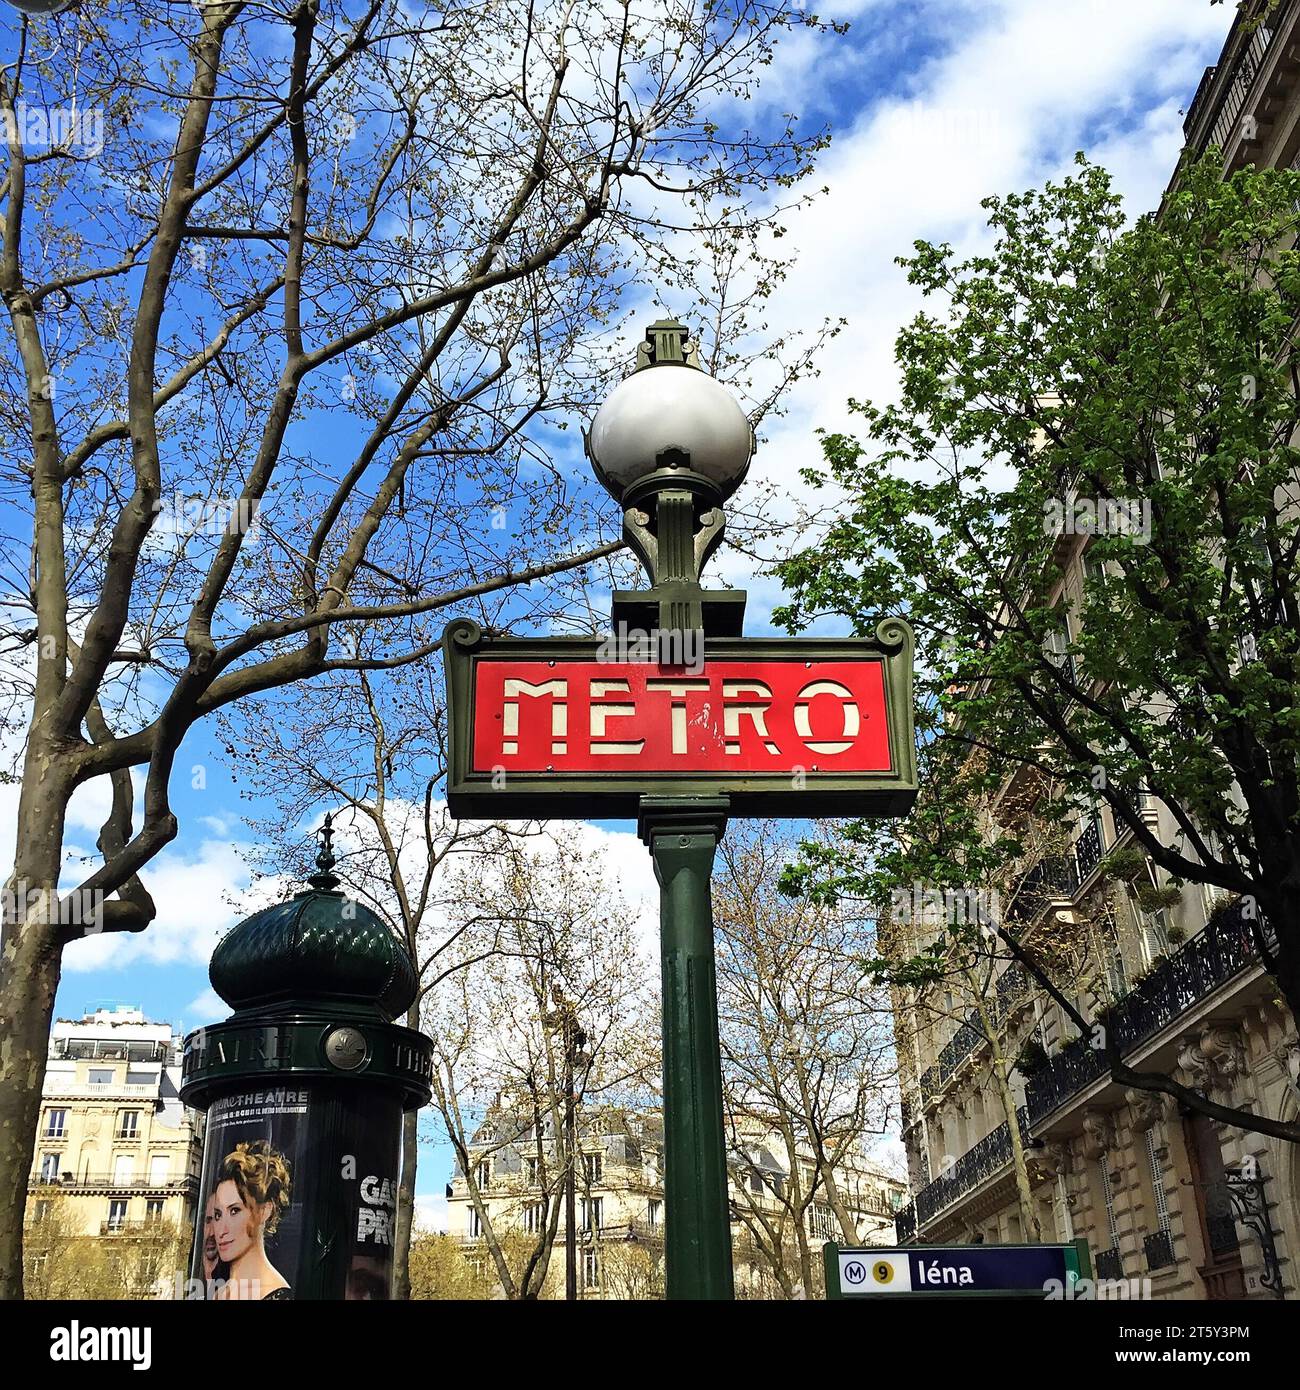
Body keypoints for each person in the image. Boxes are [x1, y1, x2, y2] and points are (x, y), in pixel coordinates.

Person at [211, 1139, 293, 1300]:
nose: (221, 1230)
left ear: (264, 1211)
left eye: (234, 1210)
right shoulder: (219, 1294)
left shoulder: (277, 1295)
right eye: (218, 1215)